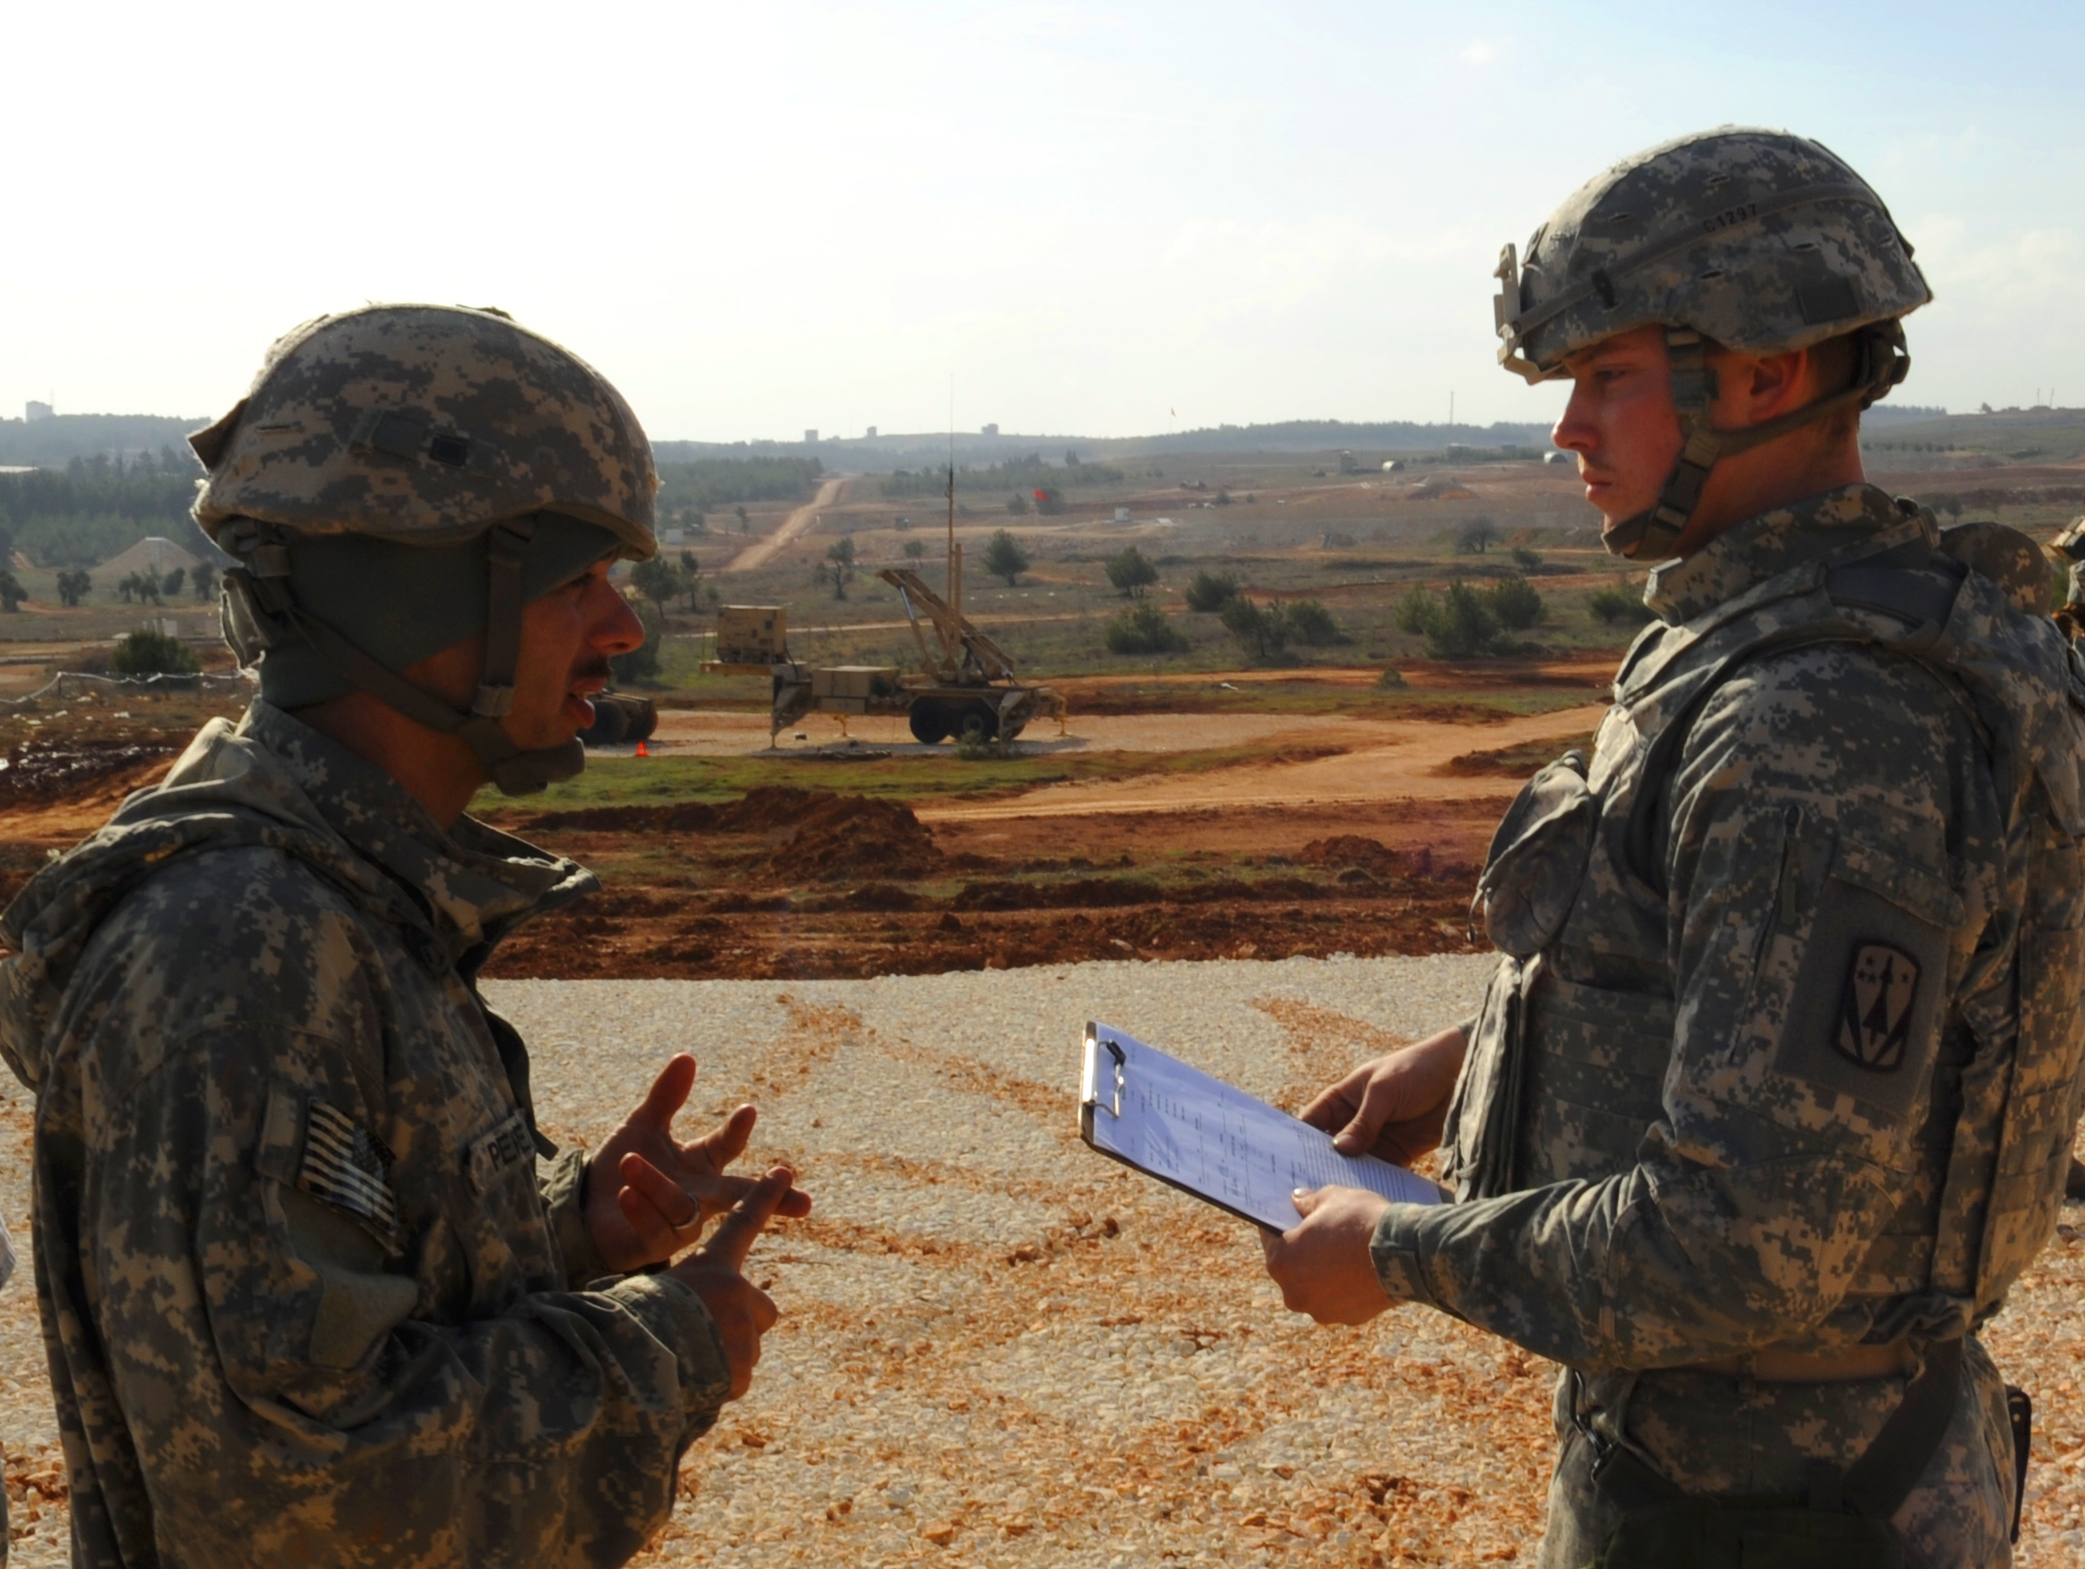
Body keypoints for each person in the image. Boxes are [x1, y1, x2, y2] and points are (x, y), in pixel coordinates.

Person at [1260, 129, 2085, 1567]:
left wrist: (1391, 1256)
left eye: (1605, 376)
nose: (1565, 430)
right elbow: (1775, 1005)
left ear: (1763, 375)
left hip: (1773, 1509)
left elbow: (1750, 1239)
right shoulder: (1805, 635)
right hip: (1763, 1473)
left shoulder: (1814, 718)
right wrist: (1465, 1060)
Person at [0, 304, 811, 1569]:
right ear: (422, 589)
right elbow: (298, 1496)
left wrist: (572, 1233)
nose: (624, 631)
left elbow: (319, 1309)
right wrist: (670, 1345)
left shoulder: (341, 900)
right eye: (578, 581)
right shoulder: (243, 948)